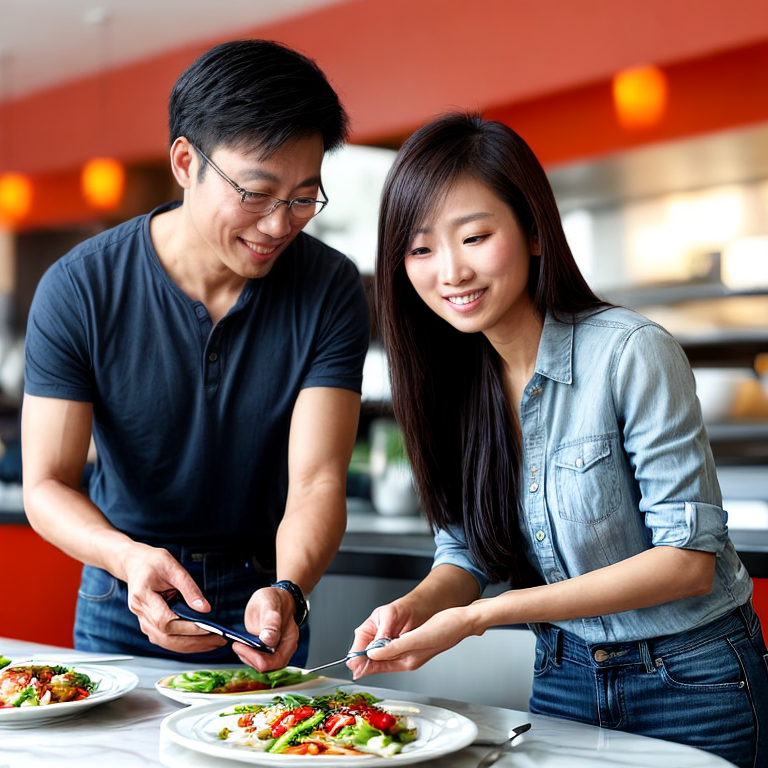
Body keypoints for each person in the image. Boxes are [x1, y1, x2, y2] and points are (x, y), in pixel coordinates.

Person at [348, 112, 767, 768]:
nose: (450, 271)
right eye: (421, 248)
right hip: (564, 676)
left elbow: (688, 562)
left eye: (476, 236)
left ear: (535, 232)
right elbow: (466, 552)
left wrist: (484, 616)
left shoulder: (630, 351)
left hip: (691, 682)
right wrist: (414, 609)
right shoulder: (451, 382)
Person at [21, 39, 370, 671]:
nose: (278, 225)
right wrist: (125, 558)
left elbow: (317, 479)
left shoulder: (329, 287)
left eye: (302, 198)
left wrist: (289, 591)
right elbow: (46, 483)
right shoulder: (80, 287)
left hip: (262, 593)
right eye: (257, 193)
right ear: (186, 162)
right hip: (123, 589)